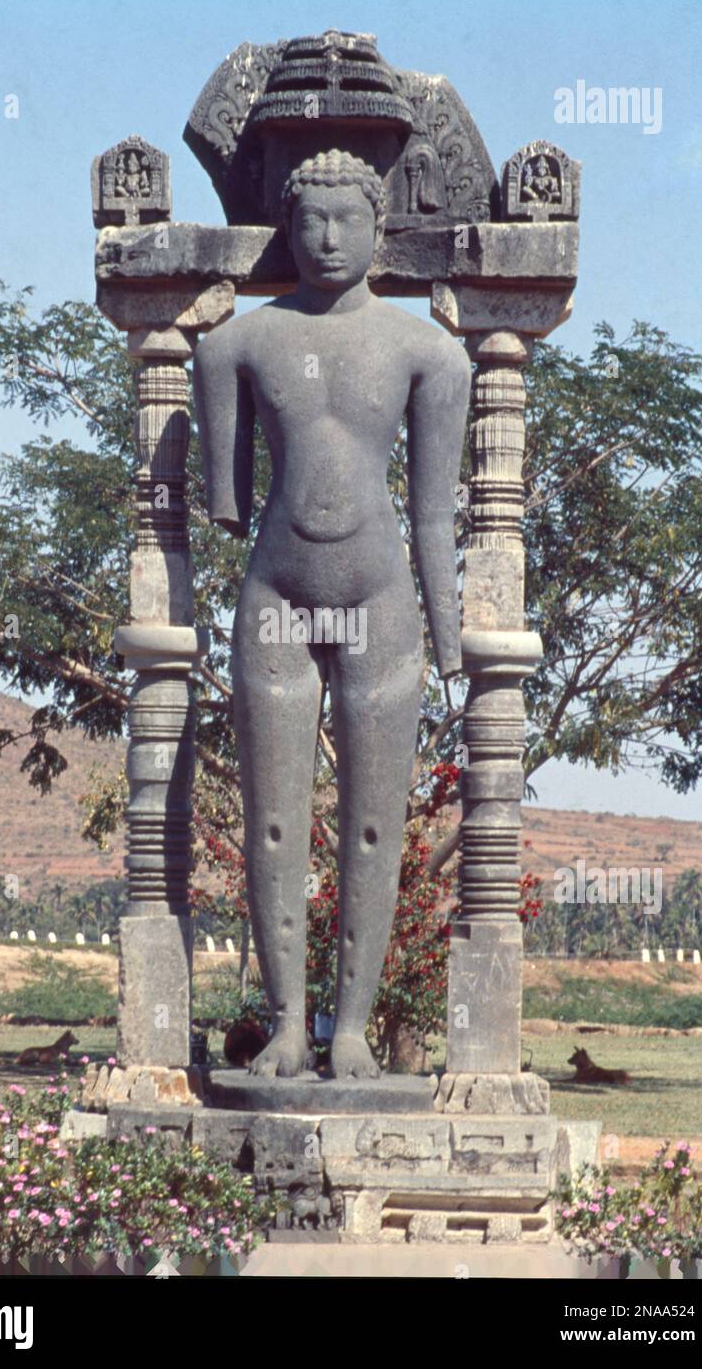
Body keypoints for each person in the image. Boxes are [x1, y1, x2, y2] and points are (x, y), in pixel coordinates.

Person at [193, 149, 470, 1078]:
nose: (325, 237)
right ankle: (284, 1025)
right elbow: (225, 500)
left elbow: (435, 512)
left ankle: (348, 1028)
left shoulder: (427, 352)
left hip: (379, 596)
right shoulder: (236, 346)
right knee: (272, 817)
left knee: (371, 822)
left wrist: (449, 638)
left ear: (378, 225)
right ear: (287, 224)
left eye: (345, 218)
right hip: (277, 595)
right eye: (308, 219)